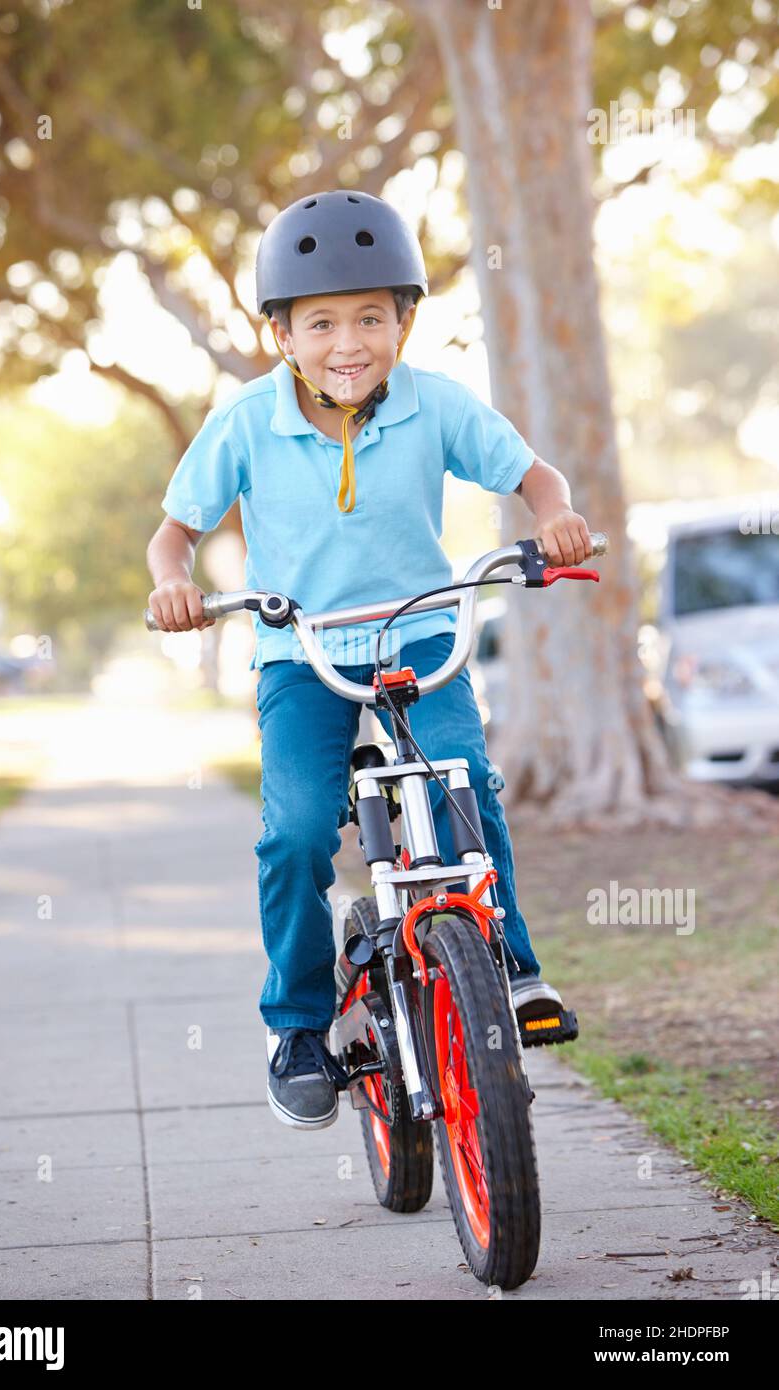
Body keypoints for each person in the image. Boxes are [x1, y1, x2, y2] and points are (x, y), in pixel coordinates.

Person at [146, 189, 593, 1132]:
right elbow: (173, 533)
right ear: (282, 336)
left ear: (405, 321)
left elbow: (532, 473)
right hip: (299, 651)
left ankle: (508, 966)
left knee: (463, 777)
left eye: (370, 318)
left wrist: (551, 515)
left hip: (423, 633)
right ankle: (300, 1026)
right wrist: (173, 583)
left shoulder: (436, 406)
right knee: (301, 829)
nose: (347, 342)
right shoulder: (245, 423)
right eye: (320, 323)